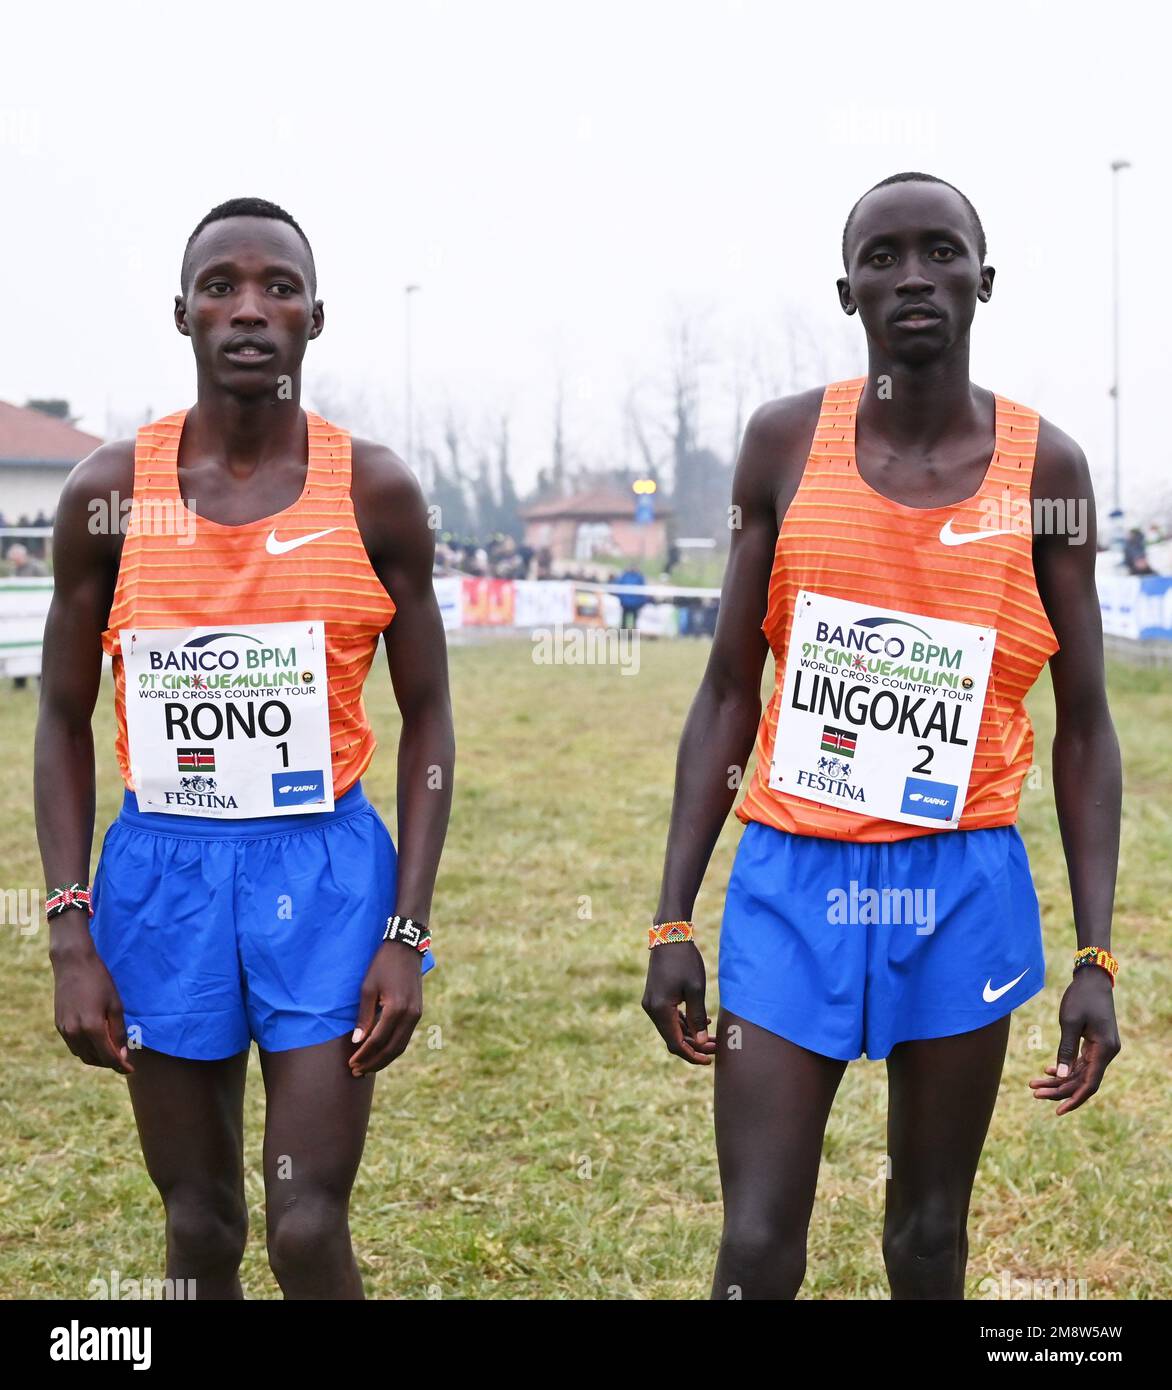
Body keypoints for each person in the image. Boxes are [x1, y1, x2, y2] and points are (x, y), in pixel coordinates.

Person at [642, 171, 1122, 1300]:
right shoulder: (779, 445)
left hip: (958, 886)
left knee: (923, 1241)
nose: (914, 275)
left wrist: (1095, 953)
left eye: (941, 252)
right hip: (787, 883)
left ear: (983, 280)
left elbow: (1086, 724)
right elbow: (725, 690)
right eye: (885, 255)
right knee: (754, 1248)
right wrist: (672, 911)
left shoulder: (1044, 471)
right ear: (846, 286)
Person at [35, 197, 454, 1300]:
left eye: (277, 286)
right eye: (221, 284)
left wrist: (406, 930)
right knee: (201, 1224)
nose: (249, 308)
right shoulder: (107, 496)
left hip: (322, 880)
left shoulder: (373, 491)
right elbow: (59, 717)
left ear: (316, 316)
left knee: (306, 1227)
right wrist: (71, 931)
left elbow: (431, 722)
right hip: (161, 882)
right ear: (183, 313)